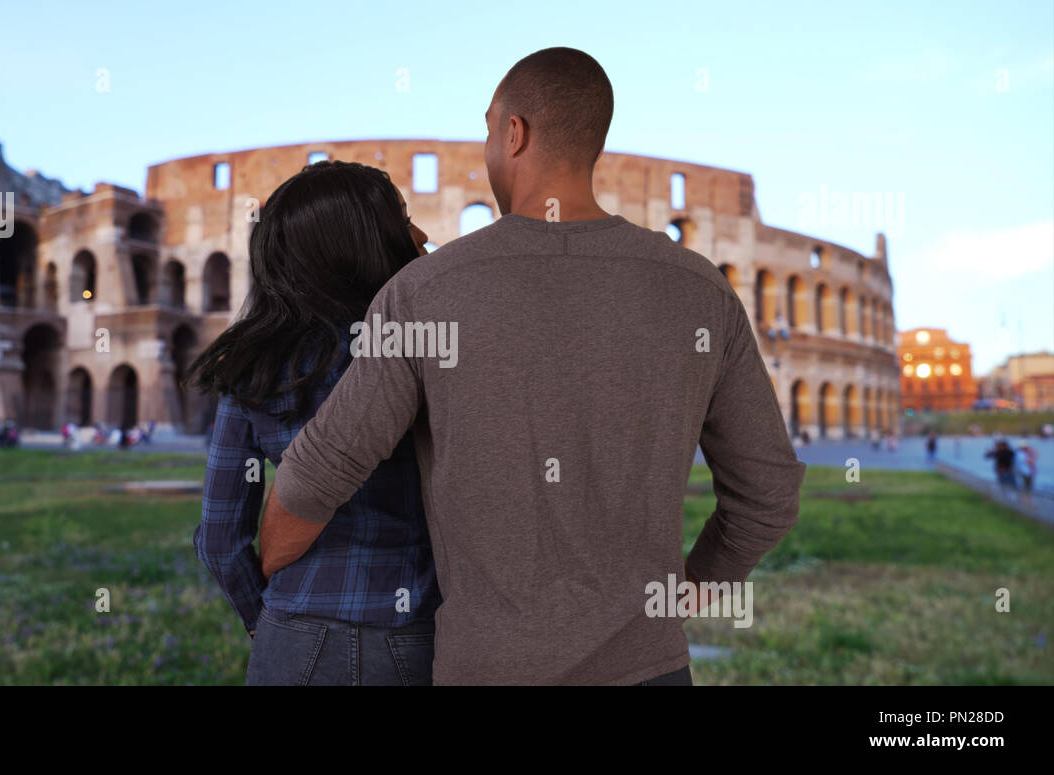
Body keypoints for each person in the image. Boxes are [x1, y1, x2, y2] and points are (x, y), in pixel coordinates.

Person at [259, 48, 804, 685]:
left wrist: (270, 559)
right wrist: (680, 600)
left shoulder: (427, 291)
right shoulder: (700, 292)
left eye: (490, 130)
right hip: (650, 667)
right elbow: (769, 496)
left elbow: (320, 471)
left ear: (513, 133)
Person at [188, 160, 437, 686]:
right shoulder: (426, 355)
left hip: (293, 633)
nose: (421, 234)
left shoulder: (253, 365)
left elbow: (218, 539)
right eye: (403, 220)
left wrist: (267, 620)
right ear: (364, 242)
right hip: (413, 632)